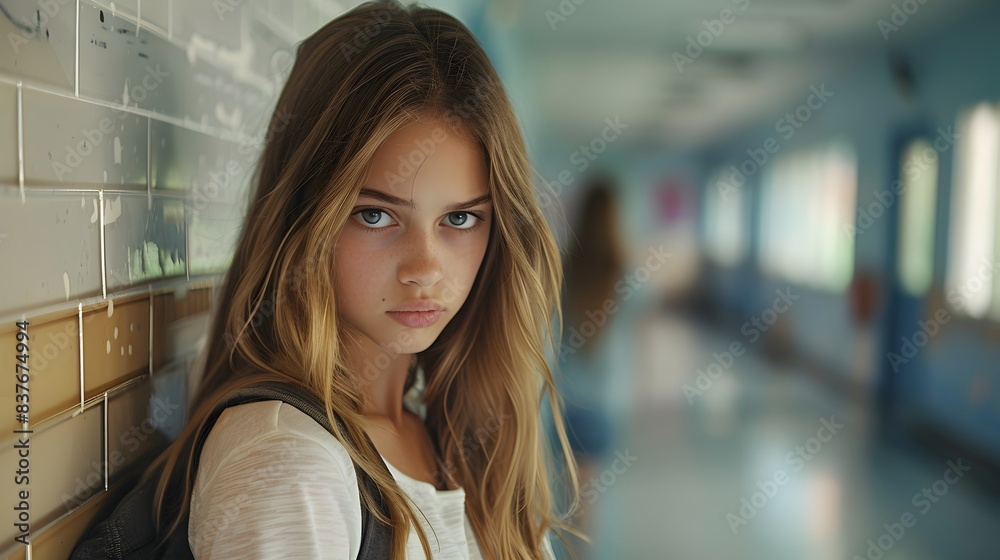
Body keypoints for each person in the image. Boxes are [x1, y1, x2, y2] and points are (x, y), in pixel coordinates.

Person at [140, 2, 581, 558]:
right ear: (305, 218)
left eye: (460, 219)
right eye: (375, 215)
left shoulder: (457, 444)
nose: (424, 269)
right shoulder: (288, 460)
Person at [553, 175, 626, 560]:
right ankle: (578, 554)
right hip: (601, 404)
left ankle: (566, 551)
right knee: (586, 496)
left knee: (564, 493)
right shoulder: (621, 270)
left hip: (562, 403)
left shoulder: (564, 266)